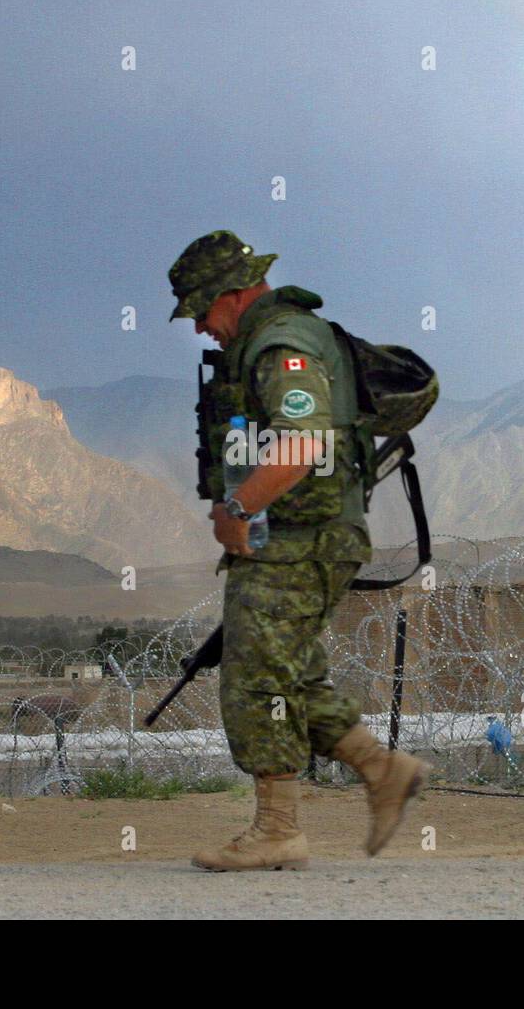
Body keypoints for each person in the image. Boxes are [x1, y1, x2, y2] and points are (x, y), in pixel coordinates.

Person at [167, 230, 429, 871]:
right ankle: (382, 771)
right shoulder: (267, 340)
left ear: (231, 294)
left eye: (202, 310)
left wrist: (239, 508)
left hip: (301, 540)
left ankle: (278, 830)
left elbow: (302, 441)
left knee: (256, 677)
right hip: (299, 538)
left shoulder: (281, 341)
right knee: (291, 676)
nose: (201, 326)